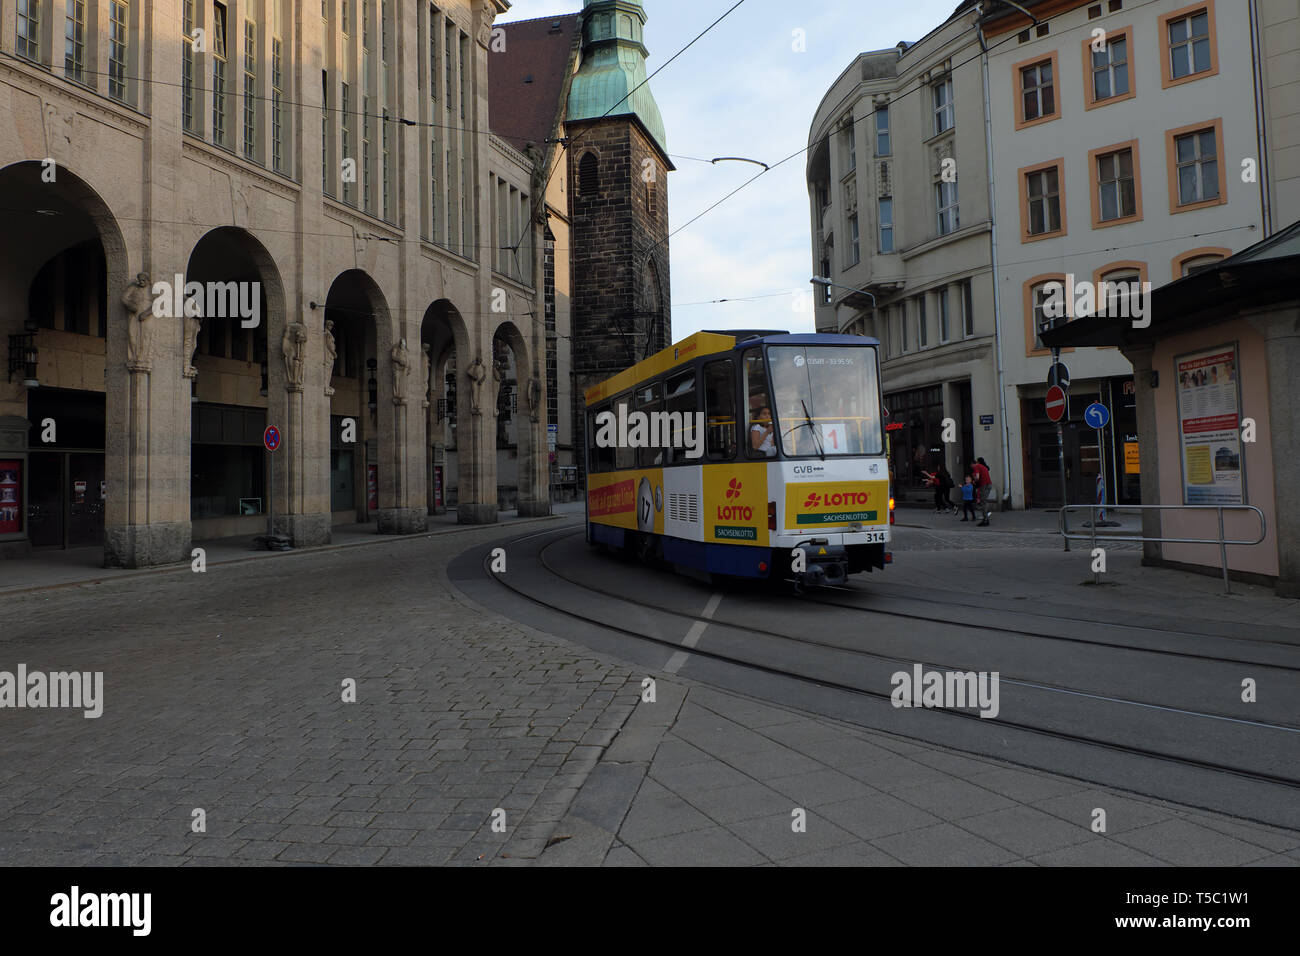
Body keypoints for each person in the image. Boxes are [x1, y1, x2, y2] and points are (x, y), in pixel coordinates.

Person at [972, 457, 993, 526]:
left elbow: (977, 477)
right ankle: (986, 516)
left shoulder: (976, 466)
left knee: (983, 502)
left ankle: (985, 520)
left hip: (983, 485)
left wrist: (974, 481)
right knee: (984, 501)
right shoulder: (984, 467)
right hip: (989, 484)